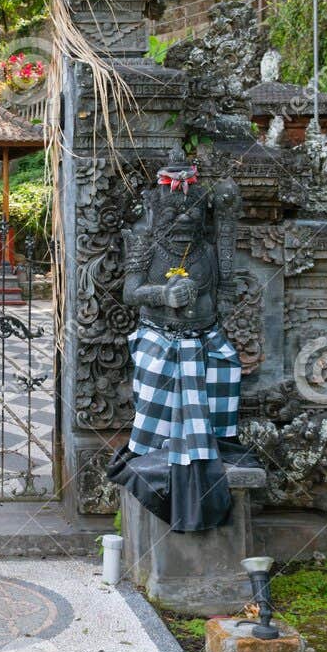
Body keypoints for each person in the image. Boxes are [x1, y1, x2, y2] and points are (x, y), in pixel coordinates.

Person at [107, 155, 241, 531]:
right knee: (153, 382)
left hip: (203, 338)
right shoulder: (146, 247)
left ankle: (213, 445)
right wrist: (163, 295)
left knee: (226, 371)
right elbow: (131, 292)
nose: (184, 221)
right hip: (159, 335)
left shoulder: (210, 252)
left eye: (192, 215)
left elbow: (222, 293)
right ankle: (153, 452)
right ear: (156, 216)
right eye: (173, 215)